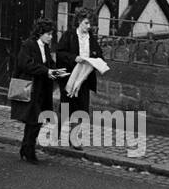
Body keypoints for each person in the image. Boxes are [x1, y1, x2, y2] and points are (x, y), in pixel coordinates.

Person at [16, 19, 67, 164]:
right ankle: (29, 150)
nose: (51, 37)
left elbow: (48, 64)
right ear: (40, 33)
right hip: (31, 88)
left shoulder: (44, 47)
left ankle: (25, 148)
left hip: (42, 89)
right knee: (34, 120)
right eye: (48, 34)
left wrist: (57, 71)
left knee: (36, 120)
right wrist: (47, 71)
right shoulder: (28, 45)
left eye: (51, 34)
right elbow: (25, 64)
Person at [56, 10, 107, 148]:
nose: (89, 26)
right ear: (79, 21)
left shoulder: (91, 38)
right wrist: (74, 58)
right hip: (69, 78)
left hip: (84, 80)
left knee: (81, 109)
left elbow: (100, 55)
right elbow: (60, 53)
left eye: (90, 24)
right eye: (86, 23)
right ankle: (58, 134)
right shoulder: (69, 35)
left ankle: (74, 139)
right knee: (66, 108)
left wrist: (96, 61)